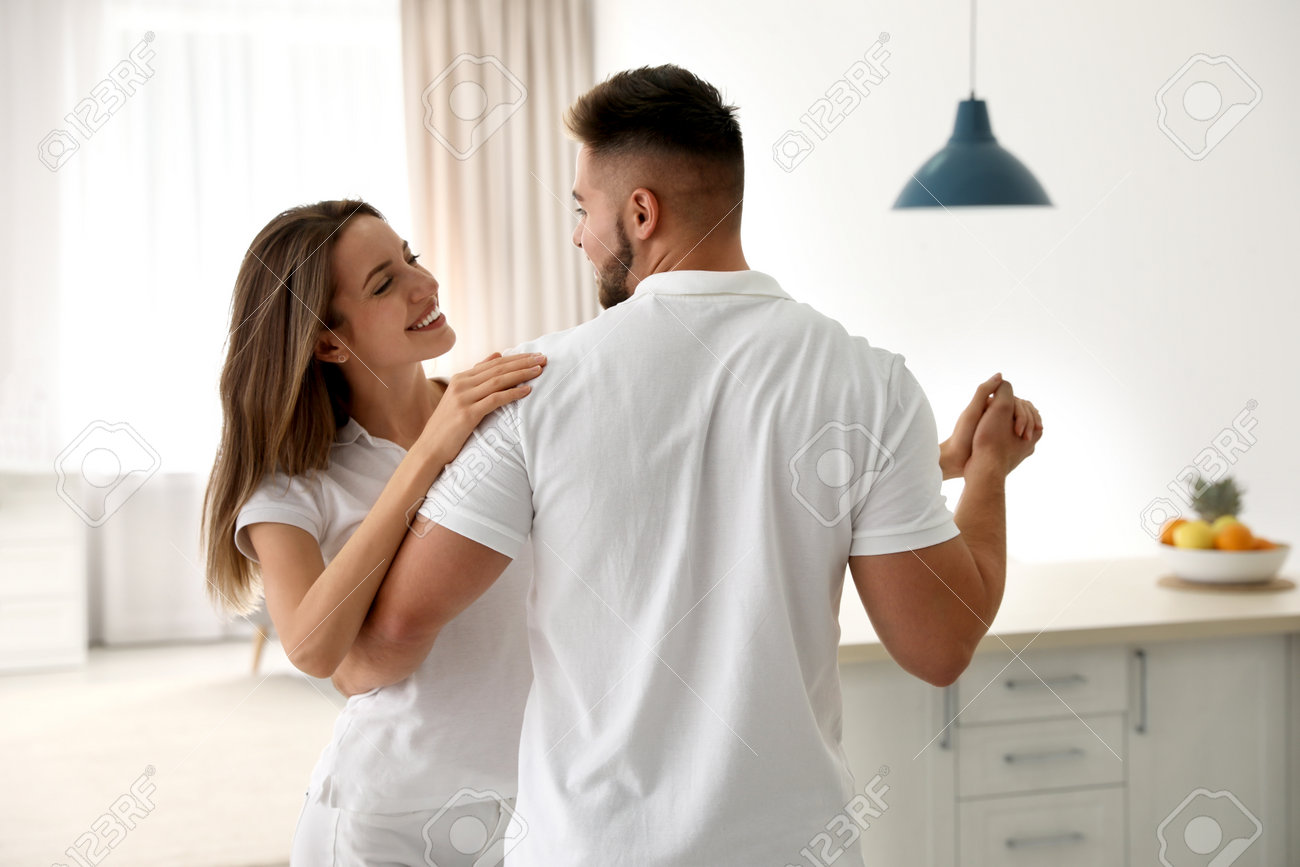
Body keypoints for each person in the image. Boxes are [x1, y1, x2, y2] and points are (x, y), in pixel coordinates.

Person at [333, 65, 1044, 866]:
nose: (577, 236)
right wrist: (988, 470)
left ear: (641, 211)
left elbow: (386, 637)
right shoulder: (868, 381)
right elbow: (940, 646)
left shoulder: (533, 385)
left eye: (583, 210)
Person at [201, 200, 543, 864]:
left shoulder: (502, 420)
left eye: (410, 256)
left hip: (528, 800)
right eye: (385, 283)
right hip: (385, 818)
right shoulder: (293, 484)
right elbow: (312, 648)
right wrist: (427, 455)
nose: (425, 284)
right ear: (329, 340)